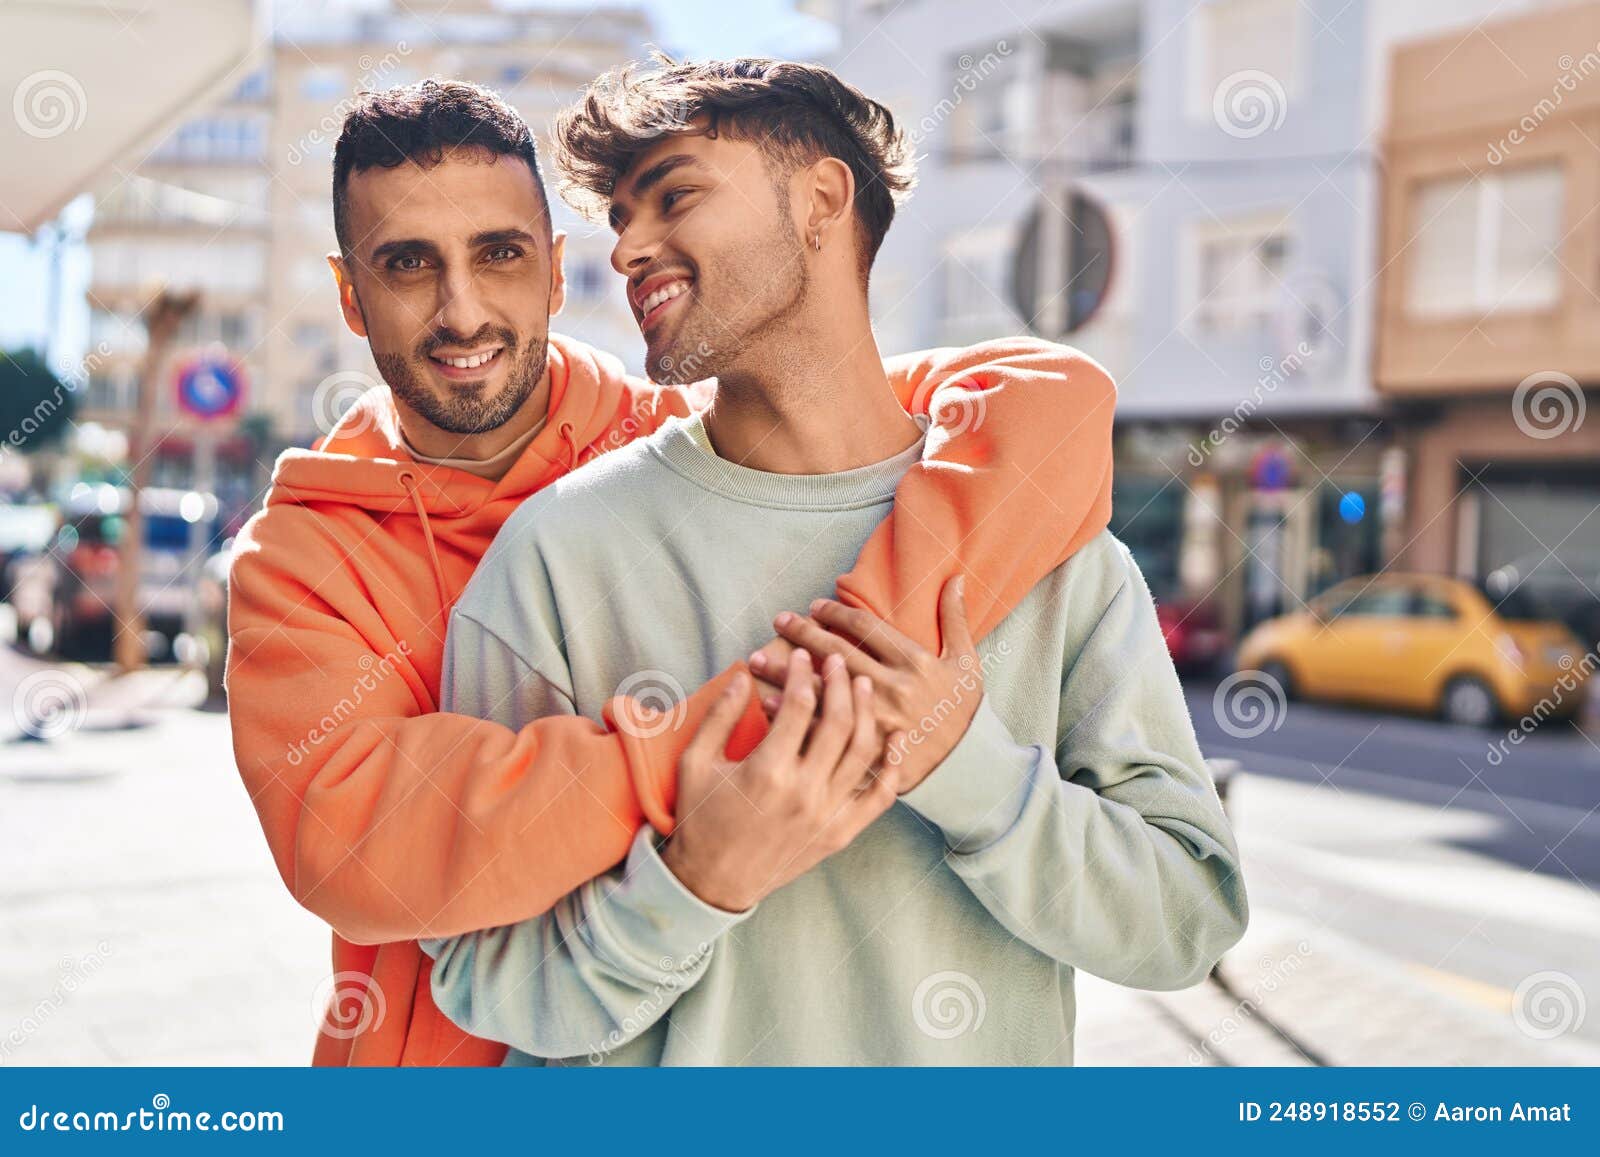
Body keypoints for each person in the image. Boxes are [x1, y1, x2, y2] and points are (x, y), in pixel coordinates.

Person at [225, 78, 1119, 1066]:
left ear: (557, 273)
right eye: (406, 265)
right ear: (350, 294)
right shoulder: (300, 559)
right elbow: (354, 844)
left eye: (500, 254)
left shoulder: (683, 444)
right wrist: (717, 740)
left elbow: (1018, 403)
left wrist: (856, 661)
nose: (462, 309)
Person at [425, 57, 1248, 1066]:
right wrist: (698, 879)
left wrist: (966, 766)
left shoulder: (1052, 550)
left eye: (674, 195)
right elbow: (483, 981)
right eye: (619, 219)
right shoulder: (554, 555)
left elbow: (1185, 924)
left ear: (821, 198)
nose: (629, 249)